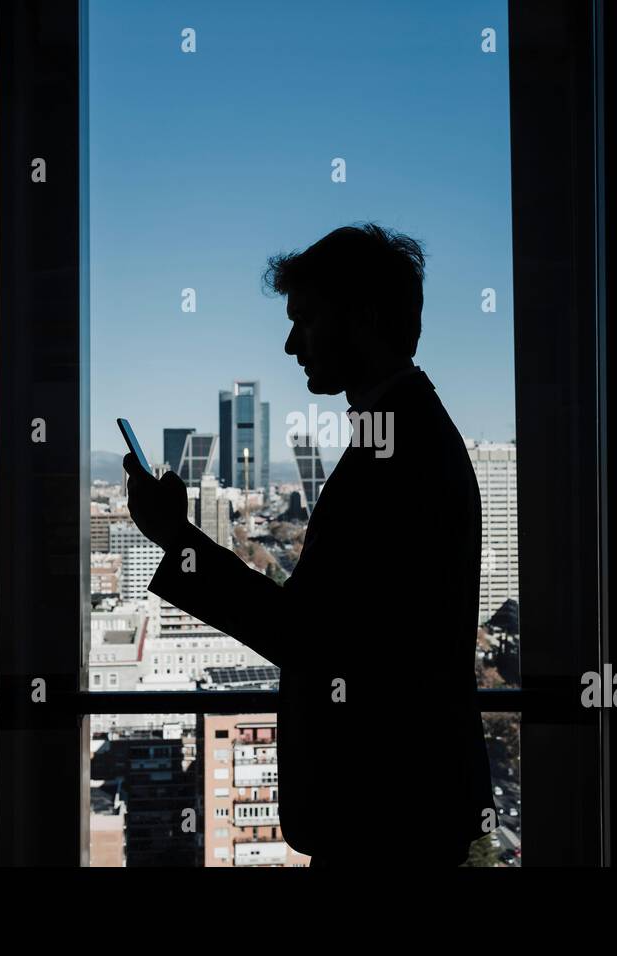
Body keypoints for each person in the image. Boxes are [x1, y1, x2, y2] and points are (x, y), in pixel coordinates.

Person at [124, 223, 494, 867]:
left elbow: (307, 634)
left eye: (305, 319)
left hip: (383, 812)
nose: (292, 344)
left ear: (365, 316)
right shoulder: (407, 433)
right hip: (401, 804)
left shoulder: (396, 451)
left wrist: (176, 540)